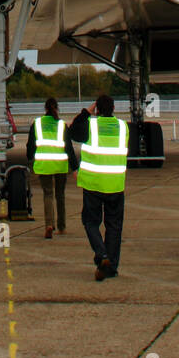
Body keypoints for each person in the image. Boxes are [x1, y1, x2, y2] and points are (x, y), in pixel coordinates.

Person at [70, 94, 129, 279]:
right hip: (115, 184)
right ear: (113, 108)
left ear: (97, 108)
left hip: (93, 183)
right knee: (114, 226)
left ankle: (102, 254)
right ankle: (110, 267)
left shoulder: (90, 125)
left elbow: (72, 132)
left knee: (90, 222)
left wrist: (86, 112)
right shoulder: (123, 126)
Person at [26, 96, 77, 238]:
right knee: (60, 195)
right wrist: (74, 167)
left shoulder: (37, 124)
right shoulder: (62, 125)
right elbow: (69, 148)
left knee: (47, 194)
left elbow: (30, 145)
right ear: (57, 108)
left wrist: (30, 158)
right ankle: (61, 226)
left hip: (44, 164)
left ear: (45, 108)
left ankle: (49, 224)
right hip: (60, 164)